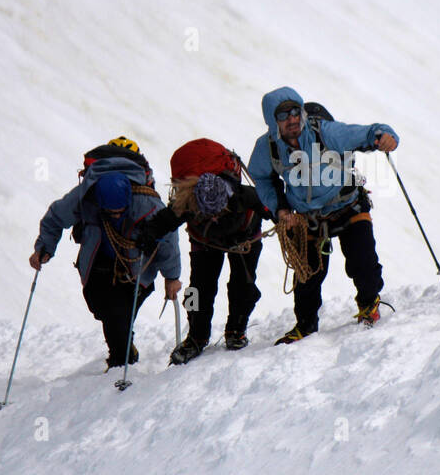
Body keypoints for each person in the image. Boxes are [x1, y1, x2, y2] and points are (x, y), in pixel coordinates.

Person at [247, 87, 399, 344]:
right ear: (273, 122)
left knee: (363, 263)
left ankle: (368, 304)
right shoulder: (267, 148)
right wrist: (280, 209)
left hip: (348, 206)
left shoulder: (324, 132)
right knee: (307, 277)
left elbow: (364, 133)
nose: (293, 119)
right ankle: (305, 325)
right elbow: (261, 177)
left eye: (296, 111)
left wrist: (384, 135)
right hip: (309, 219)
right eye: (284, 115)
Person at [30, 144, 182, 372]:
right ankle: (123, 345)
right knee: (100, 306)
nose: (116, 215)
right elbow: (55, 217)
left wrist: (172, 277)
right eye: (111, 212)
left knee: (117, 315)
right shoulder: (85, 197)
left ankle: (121, 363)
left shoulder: (147, 204)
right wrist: (44, 247)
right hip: (98, 263)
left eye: (120, 211)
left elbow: (168, 240)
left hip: (136, 269)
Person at [135, 139, 273, 365]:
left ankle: (236, 329)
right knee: (198, 289)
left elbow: (276, 208)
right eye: (209, 214)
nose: (215, 217)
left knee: (243, 285)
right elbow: (164, 221)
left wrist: (287, 219)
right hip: (209, 240)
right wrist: (147, 235)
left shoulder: (247, 196)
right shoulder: (186, 203)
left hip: (243, 237)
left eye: (218, 212)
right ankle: (196, 336)